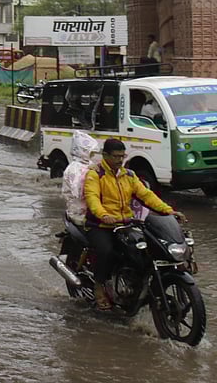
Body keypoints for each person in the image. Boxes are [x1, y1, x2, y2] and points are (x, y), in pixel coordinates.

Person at [83, 138, 183, 311]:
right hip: (100, 225)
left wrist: (169, 211)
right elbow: (92, 199)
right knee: (106, 251)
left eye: (122, 156)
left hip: (125, 224)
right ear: (105, 155)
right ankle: (99, 286)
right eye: (115, 156)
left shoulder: (129, 175)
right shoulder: (95, 174)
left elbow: (146, 196)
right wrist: (104, 215)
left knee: (143, 251)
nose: (119, 160)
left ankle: (135, 284)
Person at [60, 130, 99, 226]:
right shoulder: (74, 168)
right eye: (91, 153)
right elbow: (78, 191)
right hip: (78, 211)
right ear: (84, 151)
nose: (93, 155)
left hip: (90, 208)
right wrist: (89, 173)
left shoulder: (88, 164)